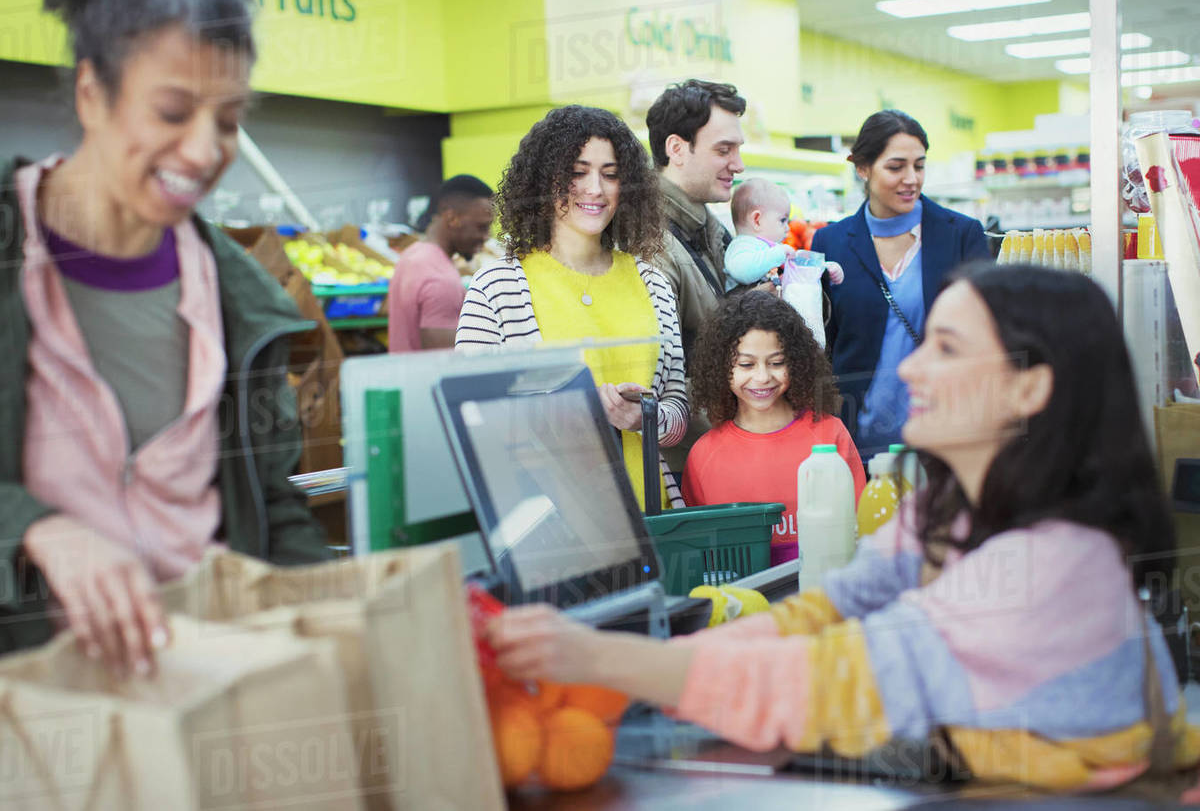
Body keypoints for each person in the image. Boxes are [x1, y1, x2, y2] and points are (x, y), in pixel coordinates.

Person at [484, 264, 1200, 793]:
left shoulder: (1051, 567)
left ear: (1029, 387)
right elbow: (826, 611)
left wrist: (591, 658)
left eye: (946, 348)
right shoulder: (944, 512)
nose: (912, 368)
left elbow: (827, 681)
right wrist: (655, 665)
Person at [0, 0, 329, 671]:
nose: (204, 150)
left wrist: (342, 622)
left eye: (230, 119)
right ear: (92, 93)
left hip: (201, 693)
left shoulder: (239, 299)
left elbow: (270, 503)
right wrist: (36, 528)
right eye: (174, 111)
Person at [455, 105, 687, 511]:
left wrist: (644, 418)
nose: (595, 188)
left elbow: (678, 413)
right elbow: (471, 418)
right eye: (578, 173)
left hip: (652, 512)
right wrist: (567, 414)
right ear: (545, 181)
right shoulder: (497, 287)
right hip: (552, 523)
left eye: (610, 174)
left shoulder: (653, 284)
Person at [812, 109, 990, 461]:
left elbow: (985, 335)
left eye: (919, 166)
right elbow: (822, 343)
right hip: (855, 440)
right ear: (862, 168)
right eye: (896, 167)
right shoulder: (830, 243)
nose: (911, 179)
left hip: (945, 436)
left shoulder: (960, 235)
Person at [682, 291, 865, 565]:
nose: (762, 377)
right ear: (720, 366)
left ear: (797, 362)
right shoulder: (703, 455)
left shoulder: (830, 434)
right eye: (746, 364)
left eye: (777, 363)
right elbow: (700, 555)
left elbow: (862, 531)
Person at [645, 79, 746, 365]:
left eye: (737, 150)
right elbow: (663, 382)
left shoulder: (707, 228)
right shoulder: (650, 246)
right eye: (724, 150)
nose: (739, 165)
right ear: (676, 149)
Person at [387, 174, 493, 352]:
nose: (486, 237)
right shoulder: (441, 279)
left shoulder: (411, 256)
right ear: (452, 219)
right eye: (481, 227)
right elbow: (447, 365)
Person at [724, 178, 793, 291]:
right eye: (782, 220)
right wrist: (779, 253)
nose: (787, 228)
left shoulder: (767, 247)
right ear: (757, 220)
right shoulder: (741, 245)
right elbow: (742, 272)